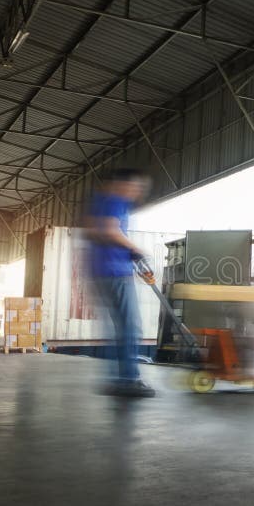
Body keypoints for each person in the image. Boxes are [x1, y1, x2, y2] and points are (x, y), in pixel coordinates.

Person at [86, 168, 155, 397]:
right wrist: (136, 249)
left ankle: (120, 378)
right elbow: (110, 231)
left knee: (119, 328)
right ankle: (128, 379)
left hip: (103, 270)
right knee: (130, 327)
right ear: (123, 184)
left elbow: (95, 231)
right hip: (116, 272)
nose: (137, 192)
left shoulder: (99, 201)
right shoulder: (115, 201)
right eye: (136, 187)